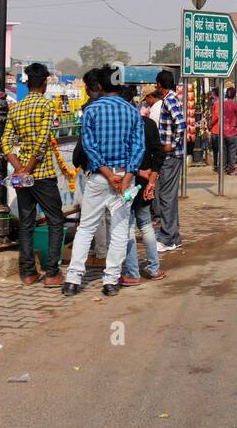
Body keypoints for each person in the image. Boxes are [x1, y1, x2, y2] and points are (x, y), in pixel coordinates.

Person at [62, 68, 145, 297]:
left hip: (99, 177)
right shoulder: (132, 111)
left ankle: (73, 279)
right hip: (124, 179)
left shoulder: (91, 110)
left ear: (100, 85)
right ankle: (110, 281)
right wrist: (126, 178)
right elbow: (138, 148)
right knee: (119, 230)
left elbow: (89, 147)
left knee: (86, 227)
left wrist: (109, 175)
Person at [1, 62, 72, 287]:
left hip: (23, 176)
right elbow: (42, 143)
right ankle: (51, 272)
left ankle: (28, 272)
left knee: (27, 223)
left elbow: (5, 142)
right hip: (42, 174)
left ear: (26, 82)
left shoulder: (17, 108)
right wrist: (28, 170)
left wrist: (19, 168)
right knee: (55, 220)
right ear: (44, 83)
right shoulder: (46, 106)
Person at [122, 87, 165, 285]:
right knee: (146, 224)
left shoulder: (120, 127)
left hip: (124, 183)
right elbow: (159, 152)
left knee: (129, 227)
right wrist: (151, 179)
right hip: (143, 181)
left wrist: (143, 175)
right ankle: (154, 269)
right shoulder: (147, 124)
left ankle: (132, 273)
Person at [153, 69, 186, 252]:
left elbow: (180, 124)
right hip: (172, 156)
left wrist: (172, 144)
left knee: (166, 197)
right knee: (169, 197)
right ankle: (173, 235)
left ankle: (168, 238)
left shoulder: (169, 100)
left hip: (170, 156)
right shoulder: (173, 98)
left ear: (160, 85)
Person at [210, 85, 237, 175]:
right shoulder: (235, 105)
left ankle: (223, 167)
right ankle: (230, 168)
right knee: (232, 151)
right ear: (234, 95)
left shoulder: (222, 104)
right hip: (232, 132)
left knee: (223, 150)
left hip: (222, 132)